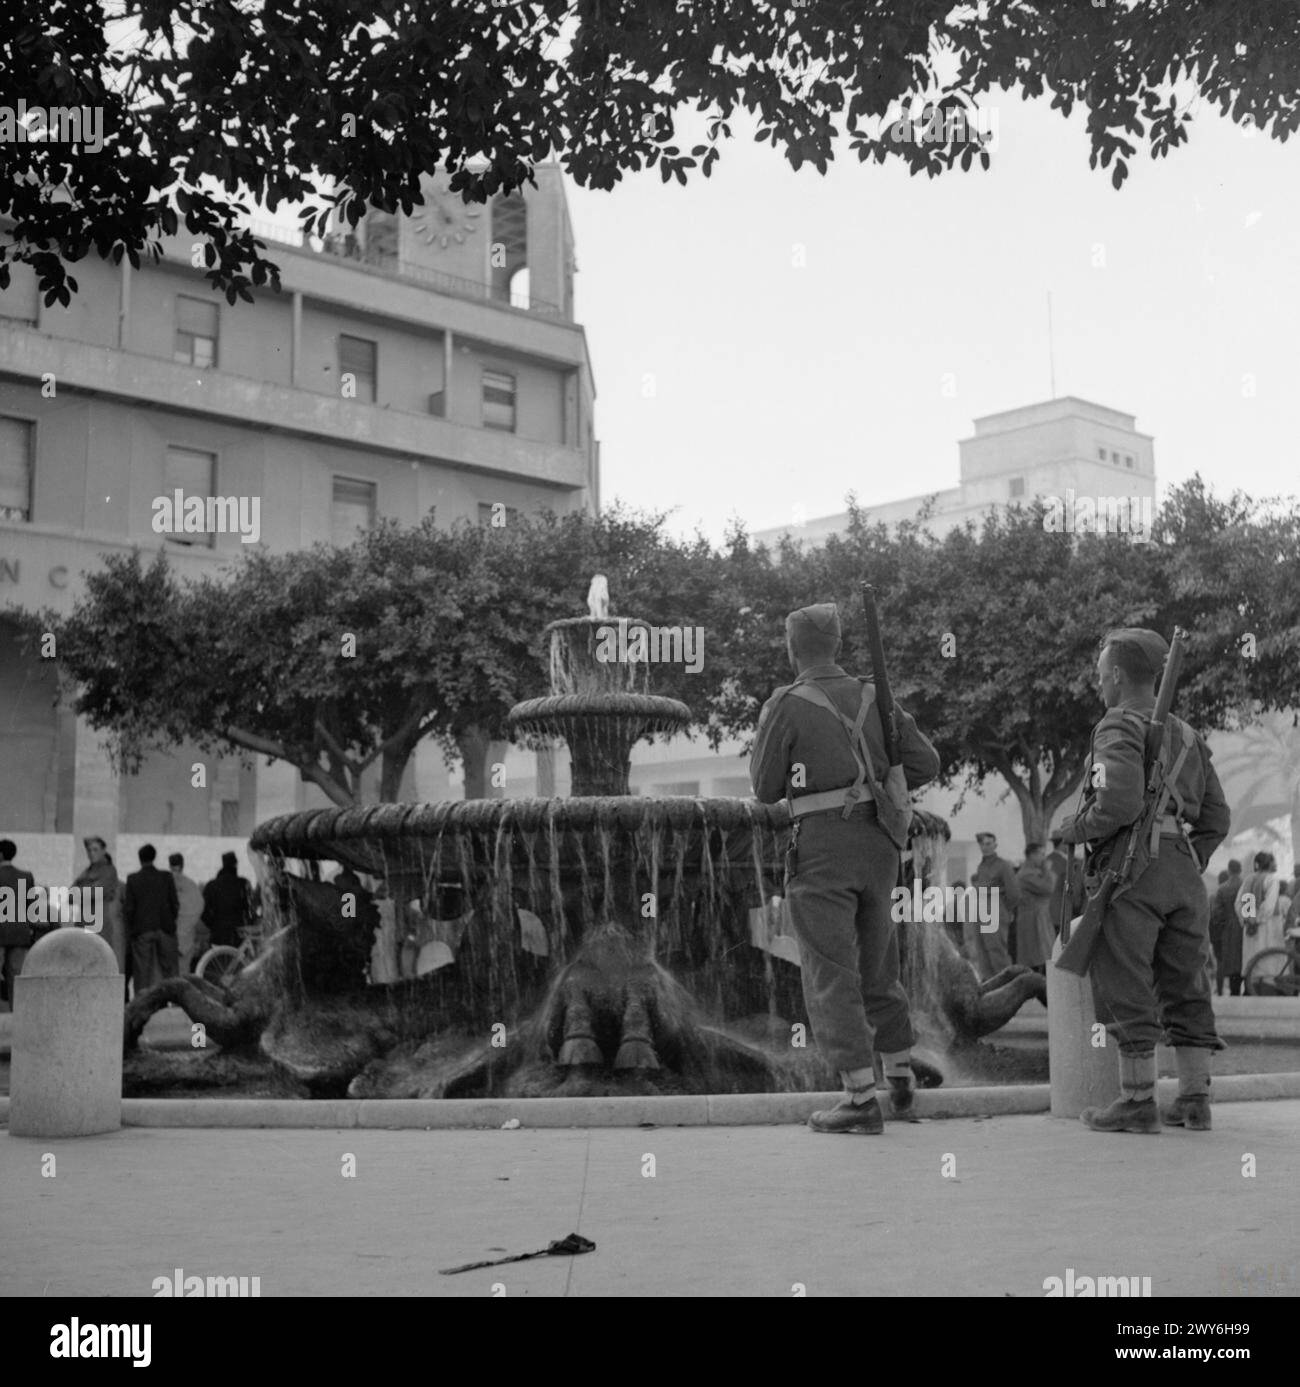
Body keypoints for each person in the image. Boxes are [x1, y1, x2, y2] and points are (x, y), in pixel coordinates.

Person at [750, 601, 941, 1134]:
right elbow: (926, 763)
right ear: (836, 645)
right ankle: (900, 1077)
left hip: (822, 851)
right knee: (880, 961)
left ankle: (859, 1100)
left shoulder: (787, 704)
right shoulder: (874, 696)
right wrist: (885, 768)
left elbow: (765, 790)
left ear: (792, 649)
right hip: (880, 847)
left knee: (831, 973)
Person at [1057, 628, 1230, 1134]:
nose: (1098, 686)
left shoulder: (1115, 726)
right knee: (1186, 983)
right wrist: (1182, 856)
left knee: (1124, 980)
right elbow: (1216, 818)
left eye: (1099, 676)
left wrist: (1071, 829)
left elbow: (1117, 804)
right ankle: (1195, 1101)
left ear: (1115, 676)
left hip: (1131, 872)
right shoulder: (1190, 735)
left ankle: (1136, 1101)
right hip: (1183, 875)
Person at [122, 843, 180, 993]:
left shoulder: (133, 879)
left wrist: (133, 929)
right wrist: (170, 921)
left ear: (140, 859)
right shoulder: (166, 876)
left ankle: (142, 1002)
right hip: (165, 928)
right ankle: (174, 1002)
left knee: (142, 972)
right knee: (170, 970)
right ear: (154, 857)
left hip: (142, 930)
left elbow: (129, 909)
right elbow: (175, 904)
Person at [73, 837, 125, 989]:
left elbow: (98, 892)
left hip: (100, 923)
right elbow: (70, 895)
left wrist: (82, 890)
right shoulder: (86, 872)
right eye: (89, 850)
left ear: (103, 851)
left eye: (95, 849)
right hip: (84, 923)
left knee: (100, 964)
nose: (91, 853)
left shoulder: (109, 870)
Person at [969, 832, 1019, 979]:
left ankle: (1008, 985)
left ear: (995, 845)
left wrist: (1006, 911)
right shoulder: (981, 866)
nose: (985, 847)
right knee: (983, 953)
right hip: (981, 908)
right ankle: (992, 988)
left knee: (997, 952)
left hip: (995, 908)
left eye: (989, 844)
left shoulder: (1003, 866)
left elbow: (1014, 893)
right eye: (983, 844)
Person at [1235, 851, 1286, 987]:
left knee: (1253, 957)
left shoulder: (1249, 879)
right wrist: (1258, 919)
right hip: (1267, 926)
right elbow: (1269, 906)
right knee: (1268, 958)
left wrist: (1249, 919)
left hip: (1251, 927)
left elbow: (1239, 903)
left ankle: (1254, 986)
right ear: (1269, 863)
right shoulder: (1271, 880)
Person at [0, 839, 36, 1007]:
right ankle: (17, 1013)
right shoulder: (26, 876)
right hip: (19, 932)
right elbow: (31, 906)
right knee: (16, 977)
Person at [1014, 843, 1055, 973]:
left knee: (1041, 957)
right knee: (1038, 958)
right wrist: (1047, 870)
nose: (1044, 858)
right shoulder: (1026, 874)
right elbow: (1048, 888)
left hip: (1038, 917)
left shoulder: (1032, 872)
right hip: (1033, 920)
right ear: (1032, 855)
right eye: (1041, 854)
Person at [202, 852, 254, 948]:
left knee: (218, 961)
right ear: (236, 864)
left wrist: (213, 925)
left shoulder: (211, 885)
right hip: (239, 935)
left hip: (217, 935)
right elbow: (251, 909)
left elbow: (203, 911)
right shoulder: (244, 883)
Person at [1208, 859, 1243, 995]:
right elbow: (1249, 912)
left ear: (1229, 870)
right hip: (1243, 928)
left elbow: (1216, 914)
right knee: (1241, 959)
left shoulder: (1222, 889)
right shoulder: (1246, 886)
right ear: (1240, 870)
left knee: (1229, 960)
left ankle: (1230, 991)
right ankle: (1237, 990)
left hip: (1228, 929)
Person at [168, 853, 207, 973]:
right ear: (183, 865)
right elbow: (199, 906)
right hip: (186, 937)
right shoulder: (190, 885)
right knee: (183, 971)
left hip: (167, 936)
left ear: (169, 865)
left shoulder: (164, 882)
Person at [1046, 830, 1085, 939]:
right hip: (1061, 910)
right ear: (1063, 844)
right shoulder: (1062, 862)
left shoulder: (1049, 860)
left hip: (1056, 910)